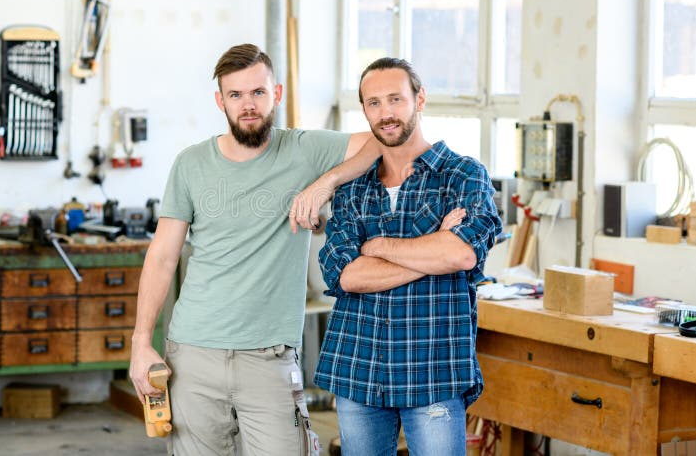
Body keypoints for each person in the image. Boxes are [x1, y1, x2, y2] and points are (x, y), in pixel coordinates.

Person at [129, 43, 380, 455]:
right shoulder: (190, 164)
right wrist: (141, 343)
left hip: (269, 357)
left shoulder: (304, 149)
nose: (248, 105)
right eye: (236, 95)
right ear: (220, 101)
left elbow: (376, 142)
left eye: (258, 93)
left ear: (276, 94)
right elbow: (161, 256)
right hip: (193, 354)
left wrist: (325, 184)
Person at [314, 57, 503, 455]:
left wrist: (377, 247)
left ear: (420, 100)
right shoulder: (352, 188)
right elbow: (346, 276)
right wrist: (432, 247)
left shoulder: (463, 175)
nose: (386, 113)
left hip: (432, 369)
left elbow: (463, 254)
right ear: (364, 109)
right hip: (359, 367)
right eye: (374, 103)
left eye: (396, 99)